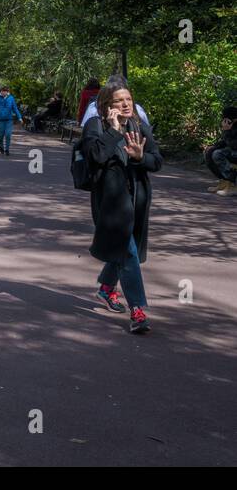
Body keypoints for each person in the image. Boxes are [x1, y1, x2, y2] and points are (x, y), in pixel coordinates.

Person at [82, 79, 163, 333]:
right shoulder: (95, 125)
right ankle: (137, 311)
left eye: (128, 99)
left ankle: (106, 288)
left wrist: (140, 157)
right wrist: (114, 131)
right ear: (107, 105)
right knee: (128, 253)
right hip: (111, 202)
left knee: (127, 250)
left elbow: (157, 161)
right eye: (119, 100)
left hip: (138, 199)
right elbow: (94, 157)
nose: (126, 104)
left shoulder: (140, 125)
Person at [80, 75, 150, 128]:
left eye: (128, 99)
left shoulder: (137, 109)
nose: (126, 104)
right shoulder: (95, 110)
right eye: (117, 101)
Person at [203, 106, 237, 195]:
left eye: (226, 118)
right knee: (209, 152)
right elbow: (225, 142)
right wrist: (212, 147)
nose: (224, 120)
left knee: (218, 154)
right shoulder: (232, 126)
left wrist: (226, 131)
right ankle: (224, 181)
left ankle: (233, 184)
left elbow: (234, 145)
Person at [0, 85, 23, 156]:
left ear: (7, 92)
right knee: (0, 135)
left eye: (5, 92)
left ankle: (7, 149)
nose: (3, 93)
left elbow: (15, 108)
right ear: (1, 91)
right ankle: (1, 146)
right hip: (0, 120)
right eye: (2, 91)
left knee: (8, 135)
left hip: (9, 120)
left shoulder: (11, 98)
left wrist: (19, 117)